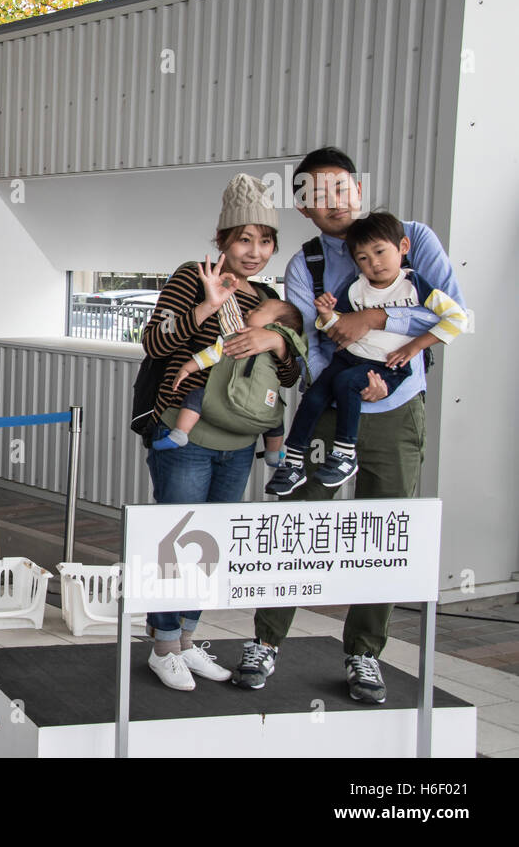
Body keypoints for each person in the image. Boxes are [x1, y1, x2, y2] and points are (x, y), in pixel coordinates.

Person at [234, 147, 468, 704]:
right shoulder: (304, 266)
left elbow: (451, 311)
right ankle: (266, 640)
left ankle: (365, 651)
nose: (334, 202)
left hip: (398, 405)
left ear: (359, 192)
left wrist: (378, 321)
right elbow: (310, 345)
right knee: (299, 522)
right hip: (331, 408)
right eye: (318, 195)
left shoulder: (413, 238)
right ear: (303, 208)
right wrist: (343, 382)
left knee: (387, 529)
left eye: (342, 189)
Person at [140, 173, 302, 691]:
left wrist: (275, 343)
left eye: (265, 240)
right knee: (175, 541)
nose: (254, 252)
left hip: (240, 443)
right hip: (186, 438)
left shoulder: (271, 299)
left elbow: (290, 377)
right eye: (243, 239)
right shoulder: (195, 275)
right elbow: (154, 342)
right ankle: (163, 646)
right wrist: (208, 306)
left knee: (208, 549)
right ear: (222, 241)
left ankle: (188, 641)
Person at [266, 213, 467, 496]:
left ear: (404, 247)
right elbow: (335, 327)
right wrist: (326, 316)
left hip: (388, 366)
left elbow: (458, 317)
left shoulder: (416, 286)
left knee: (347, 382)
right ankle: (295, 460)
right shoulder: (356, 286)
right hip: (349, 358)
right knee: (315, 394)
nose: (374, 262)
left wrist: (414, 345)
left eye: (380, 252)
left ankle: (345, 453)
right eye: (363, 257)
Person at [158, 297, 305, 472]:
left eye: (257, 310)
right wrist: (187, 368)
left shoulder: (280, 349)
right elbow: (214, 353)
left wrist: (278, 343)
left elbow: (290, 378)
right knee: (196, 396)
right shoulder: (236, 336)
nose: (249, 311)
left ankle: (273, 452)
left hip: (250, 421)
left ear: (278, 326)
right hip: (213, 416)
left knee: (275, 416)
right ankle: (180, 433)